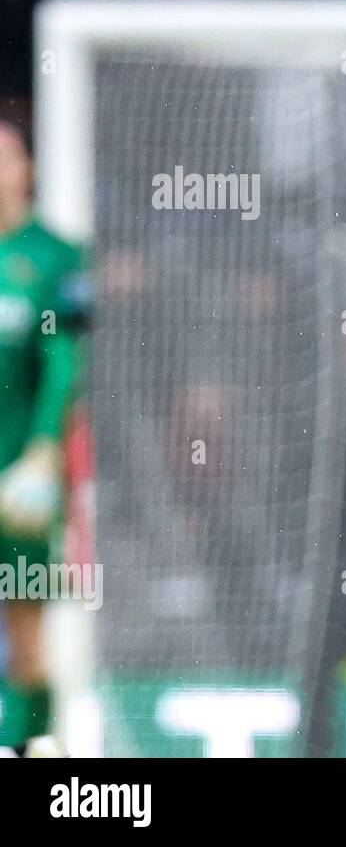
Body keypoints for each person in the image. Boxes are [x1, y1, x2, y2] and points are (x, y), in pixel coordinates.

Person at [0, 121, 87, 752]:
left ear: (27, 166)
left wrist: (40, 451)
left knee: (27, 620)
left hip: (22, 471)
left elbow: (66, 360)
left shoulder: (59, 257)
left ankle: (37, 745)